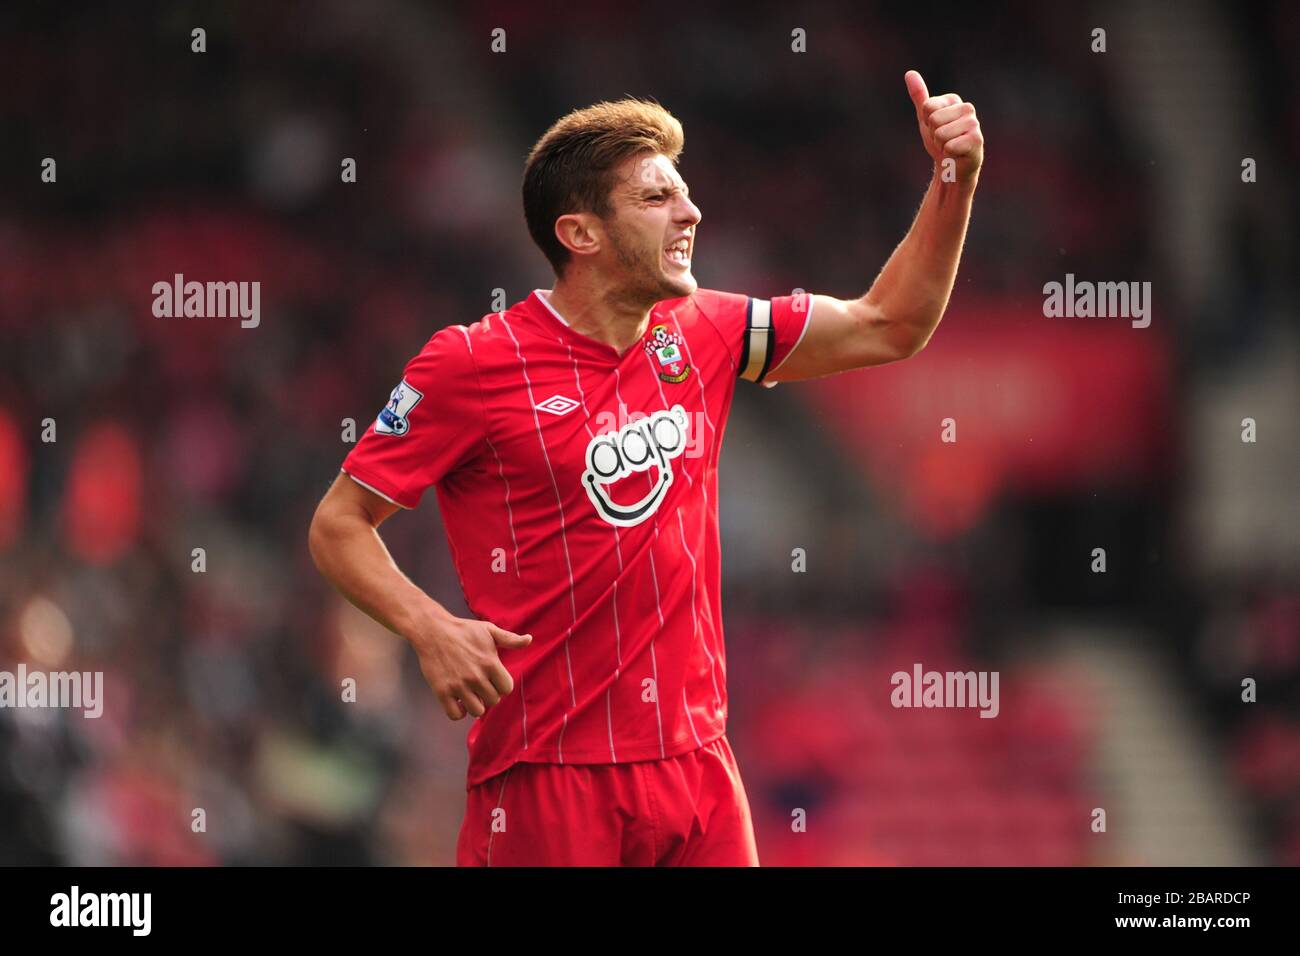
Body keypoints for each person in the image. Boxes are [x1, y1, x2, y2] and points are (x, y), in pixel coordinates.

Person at [308, 70, 982, 865]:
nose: (691, 212)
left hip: (697, 768)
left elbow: (890, 323)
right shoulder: (471, 363)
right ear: (582, 233)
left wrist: (953, 179)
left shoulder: (704, 331)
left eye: (685, 192)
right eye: (658, 197)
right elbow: (337, 524)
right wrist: (428, 628)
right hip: (548, 776)